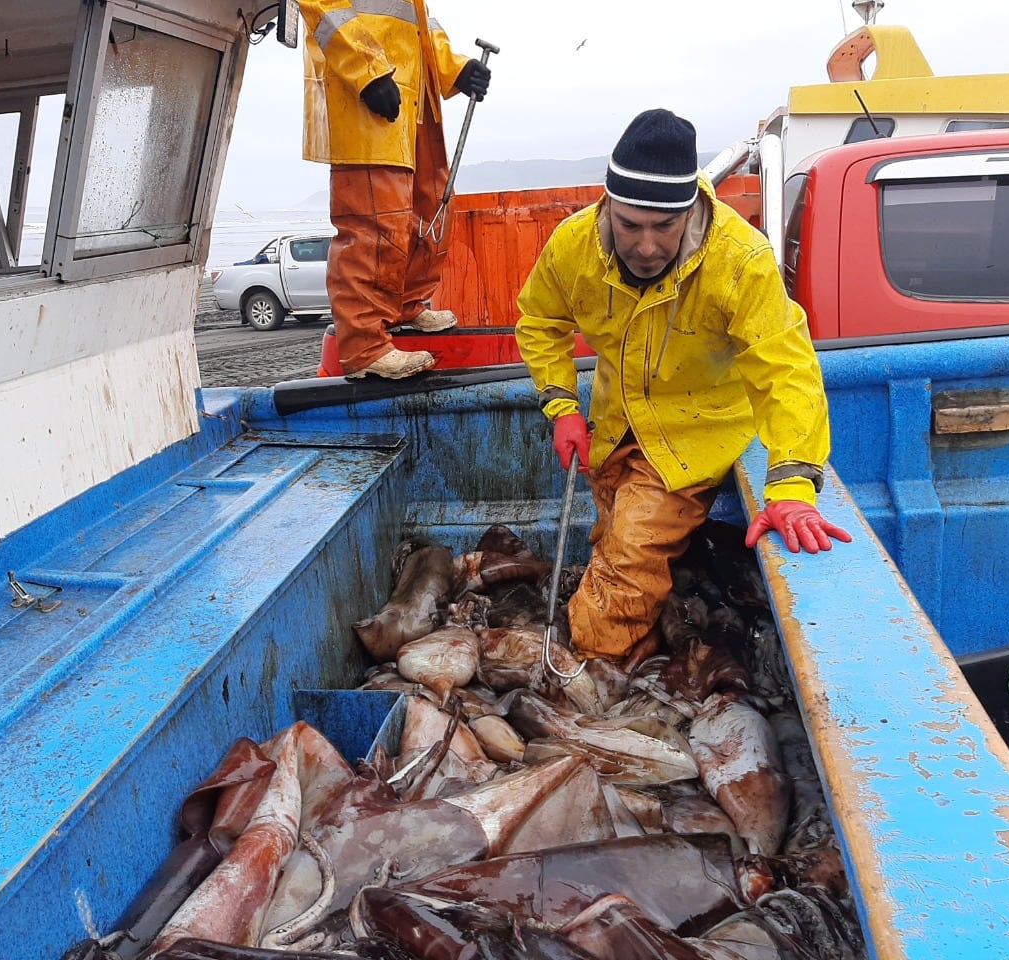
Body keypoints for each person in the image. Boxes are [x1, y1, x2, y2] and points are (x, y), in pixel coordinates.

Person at [515, 108, 851, 663]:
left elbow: (787, 372)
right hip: (612, 428)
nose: (646, 246)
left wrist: (791, 489)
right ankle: (652, 648)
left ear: (690, 209)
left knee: (621, 580)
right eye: (630, 225)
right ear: (607, 207)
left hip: (690, 438)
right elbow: (540, 323)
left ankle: (603, 671)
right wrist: (562, 406)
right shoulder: (572, 245)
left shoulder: (739, 261)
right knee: (613, 542)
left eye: (663, 227)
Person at [297, 0, 492, 380]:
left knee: (429, 207)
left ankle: (407, 305)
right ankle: (364, 346)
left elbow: (418, 24)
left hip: (412, 96)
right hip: (364, 95)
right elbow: (323, 8)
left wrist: (455, 69)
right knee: (373, 222)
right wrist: (366, 71)